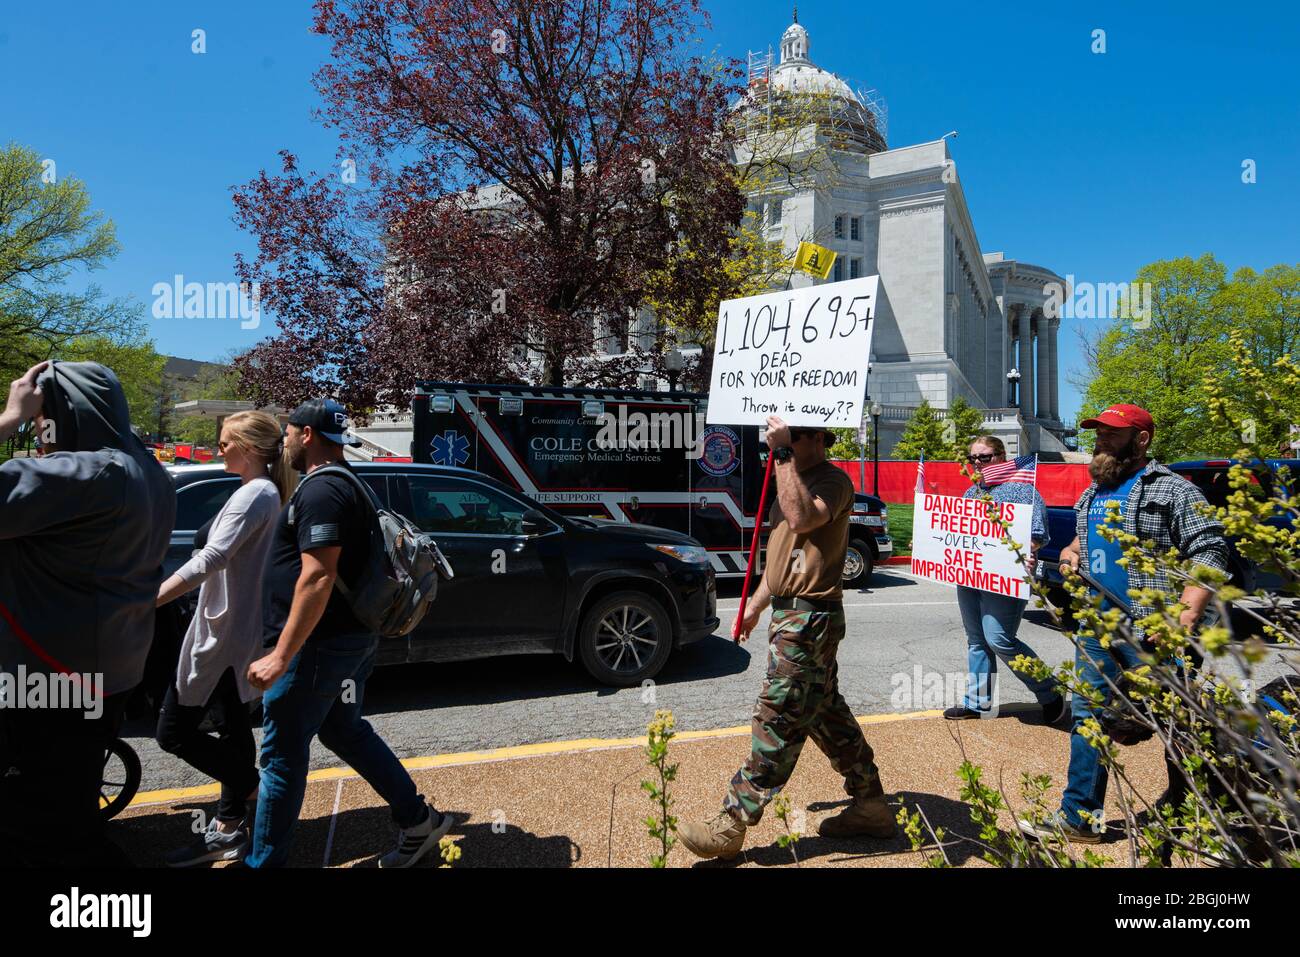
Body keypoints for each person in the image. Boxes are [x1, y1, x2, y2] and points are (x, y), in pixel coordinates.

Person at [244, 398, 450, 868]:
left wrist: (280, 655)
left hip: (317, 647)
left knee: (279, 758)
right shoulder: (349, 484)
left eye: (288, 432)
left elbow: (317, 576)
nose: (284, 442)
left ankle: (265, 864)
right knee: (343, 730)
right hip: (347, 641)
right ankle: (418, 821)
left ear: (308, 435)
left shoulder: (322, 492)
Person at [677, 415, 893, 860]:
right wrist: (755, 604)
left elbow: (799, 518)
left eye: (793, 435)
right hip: (790, 614)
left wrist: (780, 454)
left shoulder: (832, 482)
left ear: (817, 438)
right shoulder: (791, 476)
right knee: (825, 713)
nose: (783, 440)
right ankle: (870, 805)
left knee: (779, 715)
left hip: (809, 619)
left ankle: (732, 822)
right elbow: (782, 558)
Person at [1017, 404, 1230, 843]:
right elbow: (1083, 536)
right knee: (1088, 718)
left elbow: (1210, 550)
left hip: (1154, 630)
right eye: (1098, 432)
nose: (1100, 440)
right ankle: (1080, 818)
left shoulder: (1172, 490)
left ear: (1142, 439)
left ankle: (1199, 809)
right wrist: (1073, 553)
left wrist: (1185, 612)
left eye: (1112, 433)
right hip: (1096, 628)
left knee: (1177, 726)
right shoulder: (1093, 493)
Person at [0, 361, 175, 867]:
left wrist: (9, 417)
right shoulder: (145, 470)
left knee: (38, 825)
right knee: (67, 806)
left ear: (61, 413)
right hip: (105, 673)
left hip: (47, 676)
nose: (37, 429)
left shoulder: (87, 474)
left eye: (41, 416)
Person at [154, 411, 291, 866]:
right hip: (235, 631)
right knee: (234, 729)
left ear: (249, 448)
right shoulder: (259, 491)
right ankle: (229, 828)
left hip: (227, 635)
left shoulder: (256, 493)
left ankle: (255, 795)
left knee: (173, 732)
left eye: (226, 442)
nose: (219, 448)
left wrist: (151, 598)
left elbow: (212, 557)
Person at [945, 436, 1065, 723]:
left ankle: (1049, 691)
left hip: (1006, 575)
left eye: (983, 457)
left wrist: (1029, 550)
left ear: (1001, 456)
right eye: (972, 457)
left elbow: (1038, 535)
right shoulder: (971, 493)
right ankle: (977, 702)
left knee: (999, 638)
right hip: (971, 575)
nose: (976, 463)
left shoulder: (1023, 490)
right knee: (976, 639)